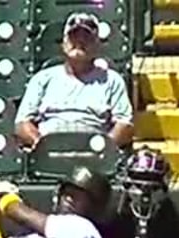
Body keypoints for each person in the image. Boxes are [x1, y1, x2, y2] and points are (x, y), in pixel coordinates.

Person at [14, 12, 134, 149]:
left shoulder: (112, 80)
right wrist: (41, 145)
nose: (79, 43)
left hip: (94, 153)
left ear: (97, 45)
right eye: (74, 37)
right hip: (49, 153)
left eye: (86, 38)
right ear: (64, 43)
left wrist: (104, 148)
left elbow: (125, 124)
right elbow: (22, 123)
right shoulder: (42, 79)